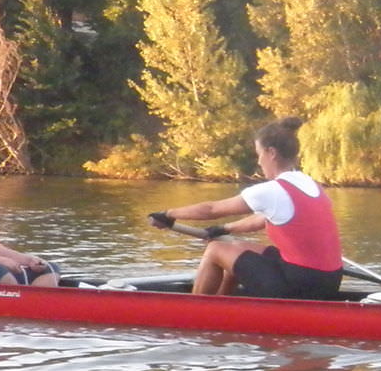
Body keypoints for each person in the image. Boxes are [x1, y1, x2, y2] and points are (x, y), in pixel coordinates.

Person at [147, 117, 343, 298]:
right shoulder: (311, 185)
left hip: (300, 285)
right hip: (329, 281)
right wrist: (225, 229)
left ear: (271, 153)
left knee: (216, 249)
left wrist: (168, 214)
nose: (258, 161)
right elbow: (260, 220)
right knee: (235, 247)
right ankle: (224, 306)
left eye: (259, 154)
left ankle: (196, 310)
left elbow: (212, 209)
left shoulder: (272, 190)